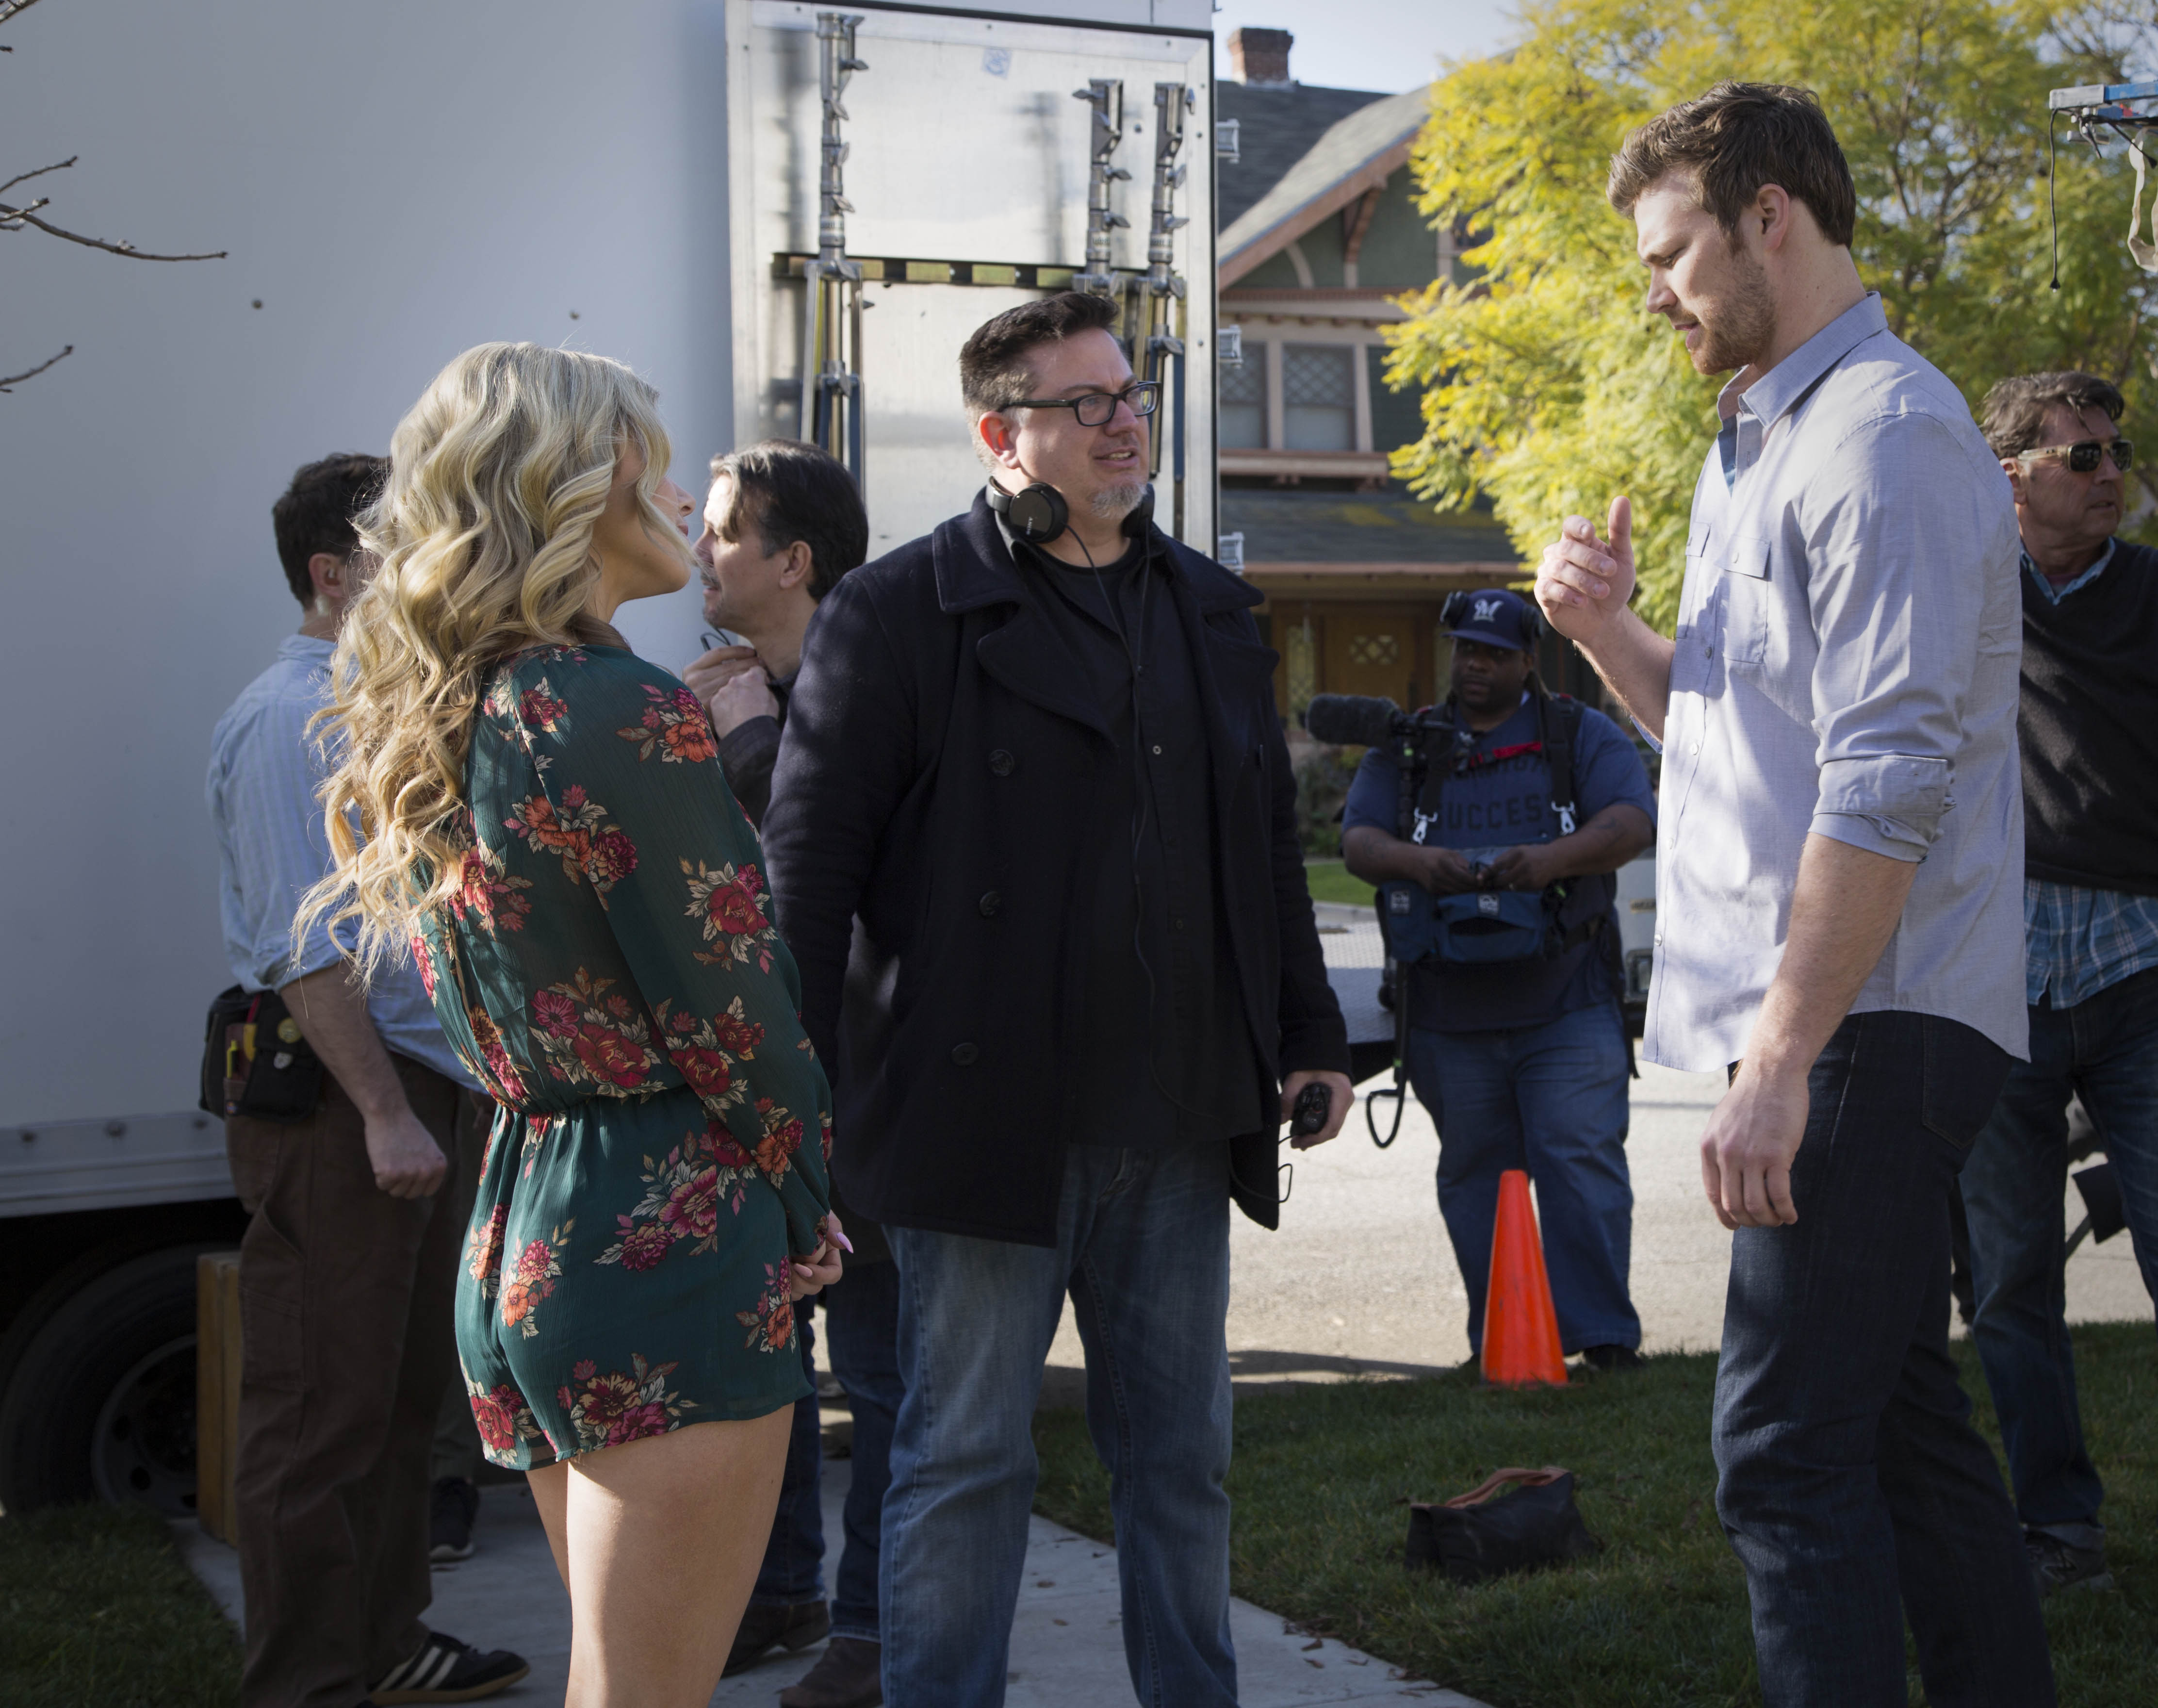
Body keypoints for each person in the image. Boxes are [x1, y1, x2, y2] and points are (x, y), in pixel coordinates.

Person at [1536, 83, 2053, 1708]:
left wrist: (1774, 1069)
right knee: (1899, 1432)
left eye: (1672, 249)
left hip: (1867, 1025)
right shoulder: (1765, 436)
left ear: (1771, 213)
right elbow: (1732, 738)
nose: (1656, 287)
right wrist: (1603, 638)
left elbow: (1884, 780)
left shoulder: (1885, 439)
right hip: (1846, 1018)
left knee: (1775, 1457)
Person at [760, 291, 1354, 1708]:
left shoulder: (1210, 608)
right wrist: (796, 1107)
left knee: (1183, 1460)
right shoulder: (898, 610)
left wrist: (1313, 1030)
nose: (1122, 419)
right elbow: (805, 877)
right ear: (1000, 434)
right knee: (964, 1460)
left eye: (1129, 391)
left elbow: (1264, 842)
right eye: (1082, 403)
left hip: (1179, 1114)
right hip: (982, 1120)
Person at [296, 344, 846, 1705]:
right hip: (665, 1225)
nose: (674, 487)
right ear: (570, 486)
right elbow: (734, 1007)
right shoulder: (618, 711)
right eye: (645, 457)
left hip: (531, 1217)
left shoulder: (454, 710)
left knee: (616, 1679)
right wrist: (809, 1190)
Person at [205, 454, 527, 1708]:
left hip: (407, 1095)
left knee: (396, 1405)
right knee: (320, 1413)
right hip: (347, 1103)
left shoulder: (373, 705)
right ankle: (304, 1681)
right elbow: (303, 945)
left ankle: (387, 1646)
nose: (438, 567)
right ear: (333, 576)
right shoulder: (296, 721)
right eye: (408, 546)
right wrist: (388, 1112)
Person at [683, 441, 895, 1708]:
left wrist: (756, 745)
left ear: (793, 560)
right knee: (763, 1365)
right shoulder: (715, 692)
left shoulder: (874, 687)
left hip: (865, 1102)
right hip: (753, 1097)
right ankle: (777, 1598)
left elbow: (844, 887)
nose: (701, 554)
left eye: (721, 532)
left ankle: (872, 1631)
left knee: (878, 1377)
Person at [1340, 588, 1655, 1368]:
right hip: (1449, 1010)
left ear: (1527, 660)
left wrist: (1551, 860)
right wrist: (1422, 864)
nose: (1473, 664)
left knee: (1578, 1159)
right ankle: (1505, 1341)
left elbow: (1633, 820)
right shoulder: (1413, 746)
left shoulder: (1575, 736)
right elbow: (1358, 842)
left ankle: (1604, 1341)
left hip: (1568, 998)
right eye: (1463, 650)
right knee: (1478, 1174)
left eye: (1492, 653)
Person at [1963, 369, 2158, 1597]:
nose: (2105, 473)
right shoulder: (1962, 592)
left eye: (2115, 452)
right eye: (2077, 456)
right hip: (1998, 986)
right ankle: (2057, 1527)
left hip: (2141, 970)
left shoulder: (2151, 592)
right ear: (2009, 478)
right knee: (2009, 1275)